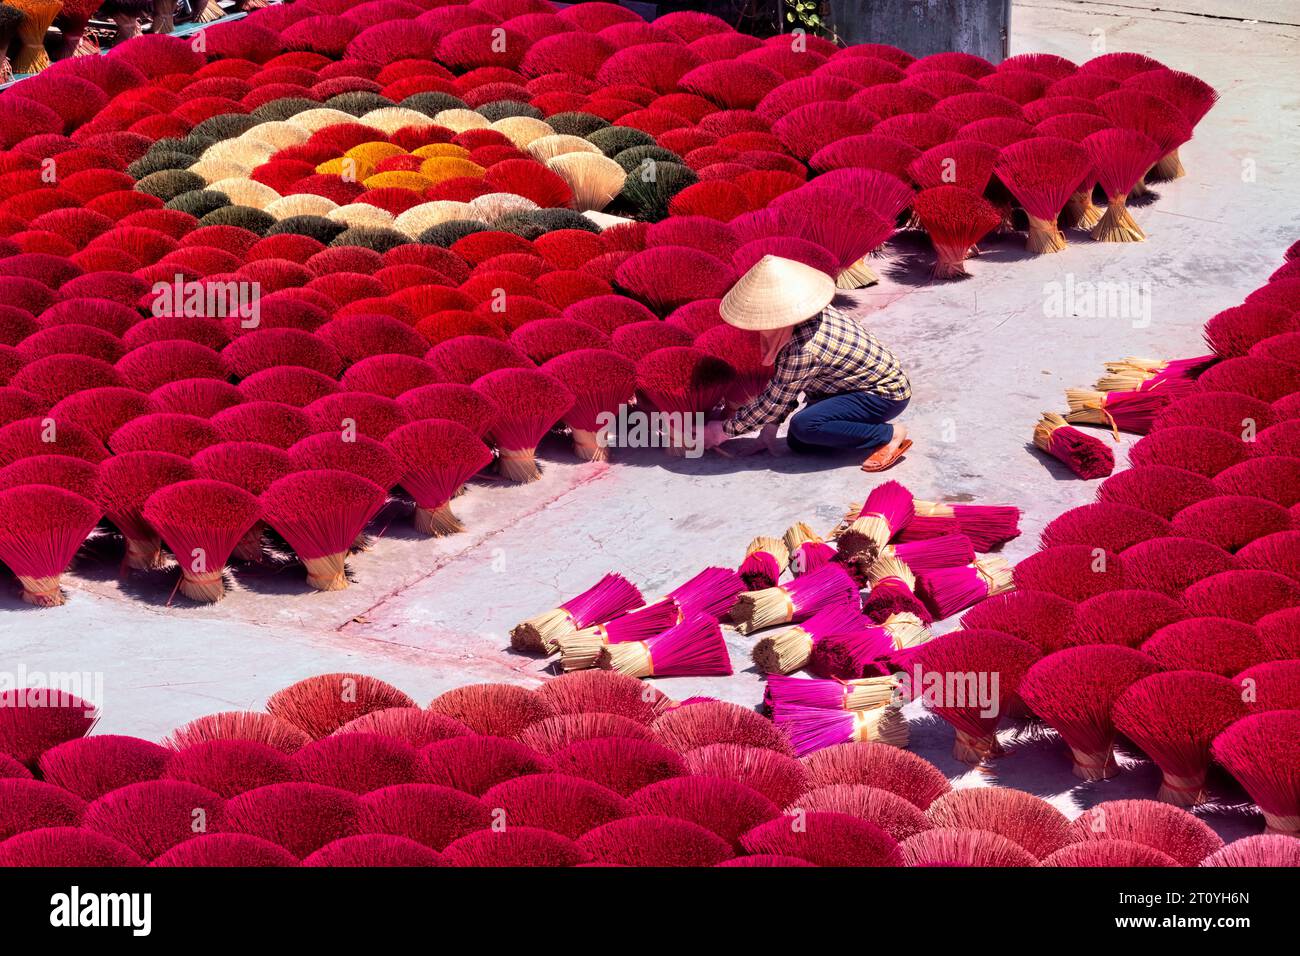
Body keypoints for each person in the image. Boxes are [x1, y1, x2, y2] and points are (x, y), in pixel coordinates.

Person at [702, 255, 912, 472]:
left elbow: (773, 402)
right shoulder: (806, 316)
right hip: (844, 389)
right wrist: (769, 429)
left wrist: (723, 430)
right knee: (799, 442)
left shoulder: (803, 350)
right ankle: (856, 430)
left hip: (883, 394)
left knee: (806, 426)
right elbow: (787, 388)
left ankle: (889, 434)